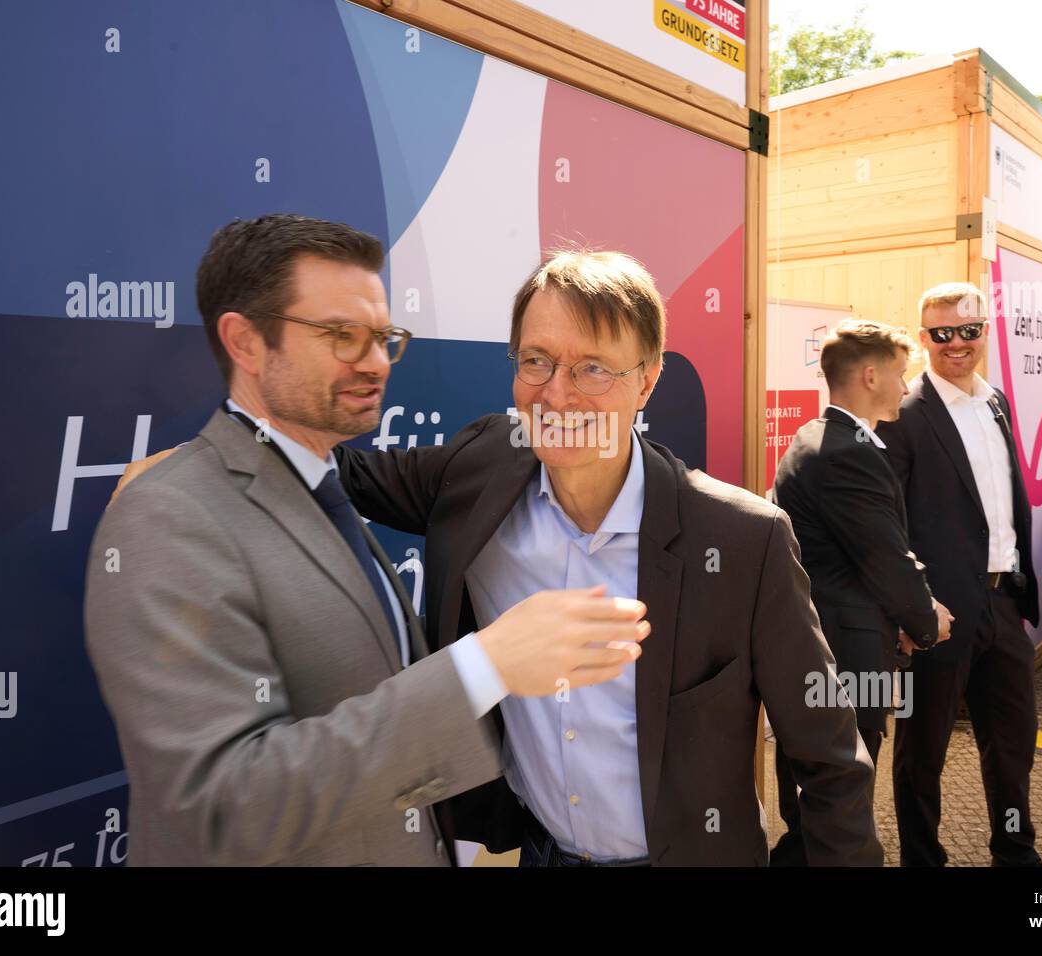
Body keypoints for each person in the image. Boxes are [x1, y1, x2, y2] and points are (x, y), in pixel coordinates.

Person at [118, 249, 883, 866]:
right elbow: (333, 472)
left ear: (648, 379)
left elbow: (828, 760)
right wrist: (207, 468)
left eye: (593, 369)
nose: (557, 394)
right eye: (537, 361)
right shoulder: (484, 464)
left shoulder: (742, 539)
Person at [85, 215, 647, 866]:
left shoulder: (320, 486)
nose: (376, 361)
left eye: (383, 337)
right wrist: (484, 667)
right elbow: (218, 812)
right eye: (341, 336)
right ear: (244, 342)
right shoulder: (166, 518)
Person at [769, 319, 952, 865]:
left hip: (825, 649)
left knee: (818, 808)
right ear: (870, 375)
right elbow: (885, 557)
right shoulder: (846, 452)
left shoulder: (817, 436)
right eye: (900, 374)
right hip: (846, 658)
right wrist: (926, 620)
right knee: (837, 809)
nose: (904, 387)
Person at [876, 282, 1042, 867]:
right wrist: (910, 608)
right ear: (923, 339)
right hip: (938, 612)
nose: (956, 343)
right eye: (941, 333)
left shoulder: (996, 402)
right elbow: (887, 524)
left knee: (1014, 742)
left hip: (1003, 603)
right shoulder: (903, 413)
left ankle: (1015, 848)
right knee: (922, 750)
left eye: (968, 330)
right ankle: (922, 859)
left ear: (984, 333)